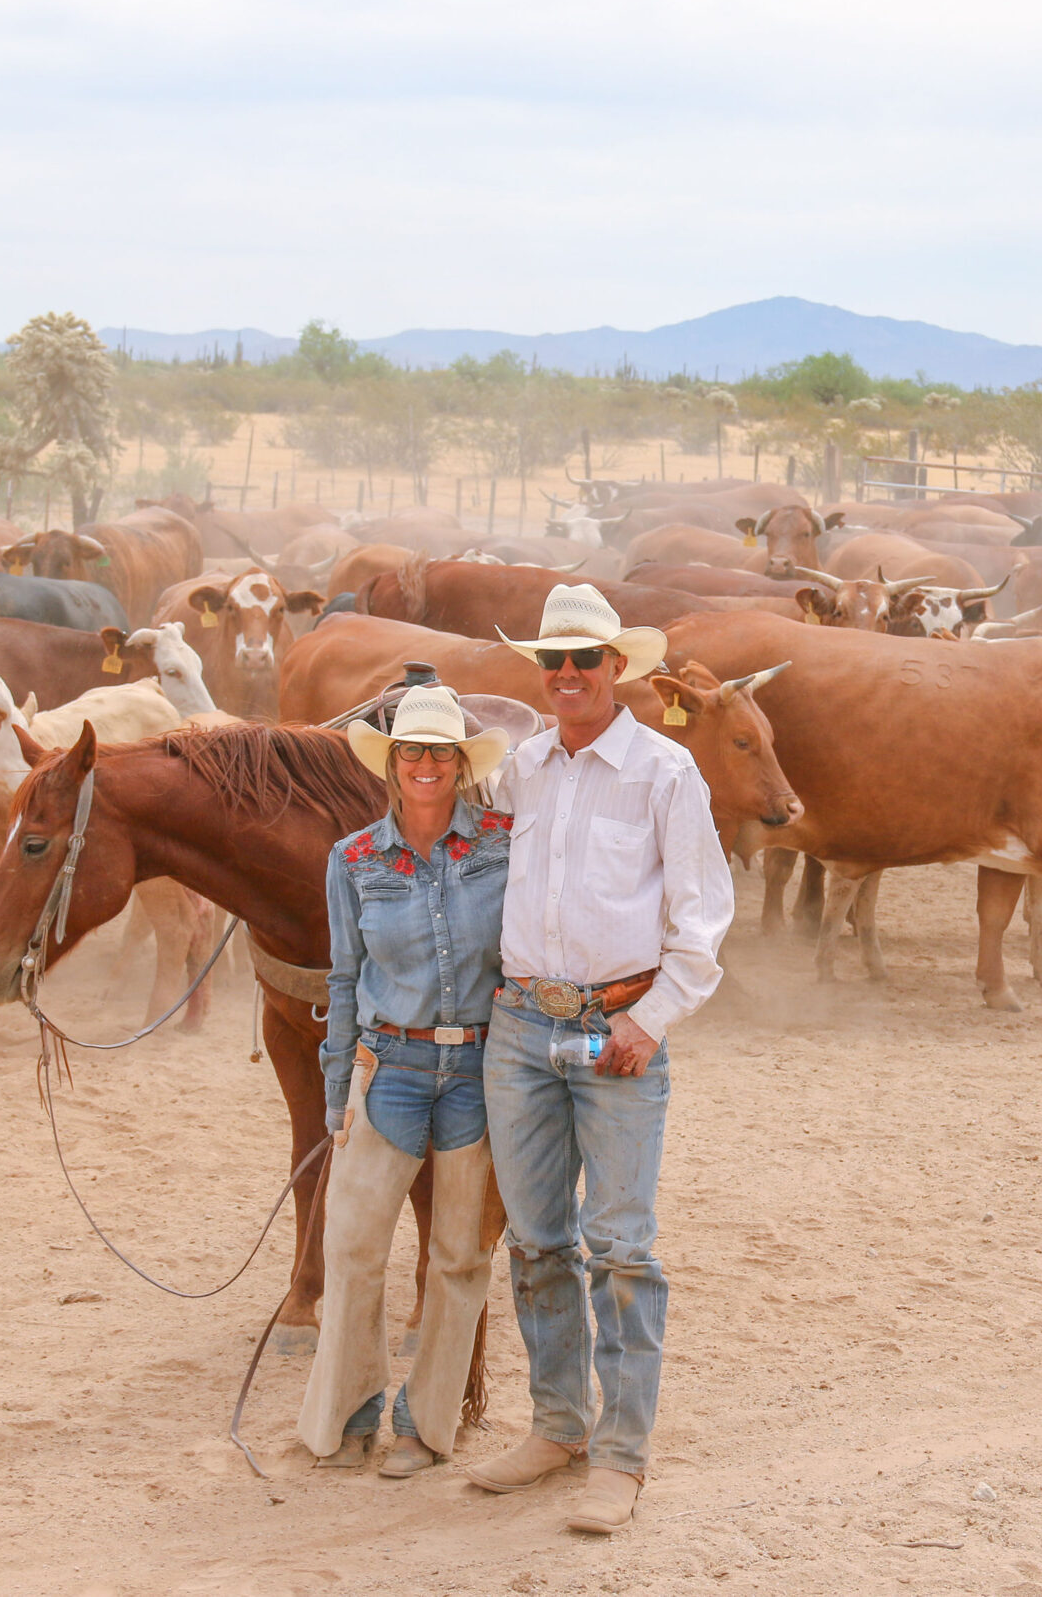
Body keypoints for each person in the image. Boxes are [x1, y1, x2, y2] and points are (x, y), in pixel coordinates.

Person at [464, 584, 734, 1534]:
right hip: (522, 1030)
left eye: (585, 659)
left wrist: (653, 1018)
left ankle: (620, 1455)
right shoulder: (521, 768)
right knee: (538, 1239)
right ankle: (558, 1423)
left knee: (620, 1245)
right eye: (554, 661)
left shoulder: (665, 772)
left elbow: (702, 916)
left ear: (619, 666)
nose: (569, 674)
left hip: (617, 1029)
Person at [299, 683, 514, 1478]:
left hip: (477, 1071)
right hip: (387, 1066)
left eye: (441, 752)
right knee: (353, 1244)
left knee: (458, 1255)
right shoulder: (352, 859)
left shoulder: (504, 844)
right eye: (412, 751)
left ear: (462, 764)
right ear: (392, 764)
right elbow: (345, 981)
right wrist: (334, 1094)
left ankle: (425, 1426)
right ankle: (348, 1415)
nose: (426, 764)